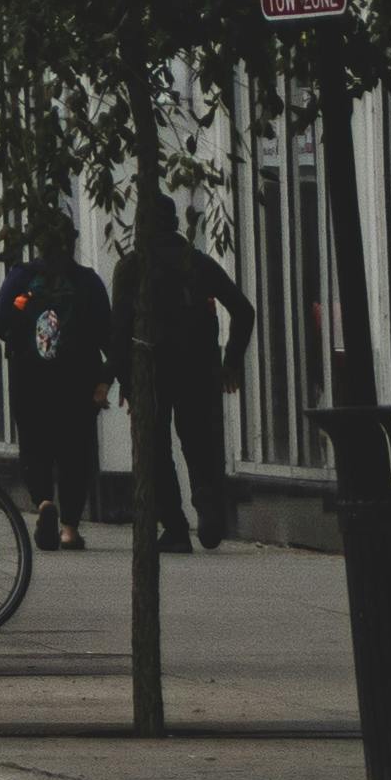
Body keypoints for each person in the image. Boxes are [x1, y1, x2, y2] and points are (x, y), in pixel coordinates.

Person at [126, 206, 256, 551]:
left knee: (154, 447)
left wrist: (126, 380)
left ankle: (175, 526)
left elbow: (118, 326)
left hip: (152, 367)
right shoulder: (198, 262)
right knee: (199, 439)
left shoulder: (132, 267)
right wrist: (230, 361)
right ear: (176, 224)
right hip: (200, 364)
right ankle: (206, 497)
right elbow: (243, 309)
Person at [0, 215, 118, 553]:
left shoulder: (21, 277)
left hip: (30, 380)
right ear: (73, 241)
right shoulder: (88, 281)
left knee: (35, 446)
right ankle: (69, 529)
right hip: (78, 382)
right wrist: (106, 380)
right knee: (74, 453)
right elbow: (109, 336)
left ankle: (44, 503)